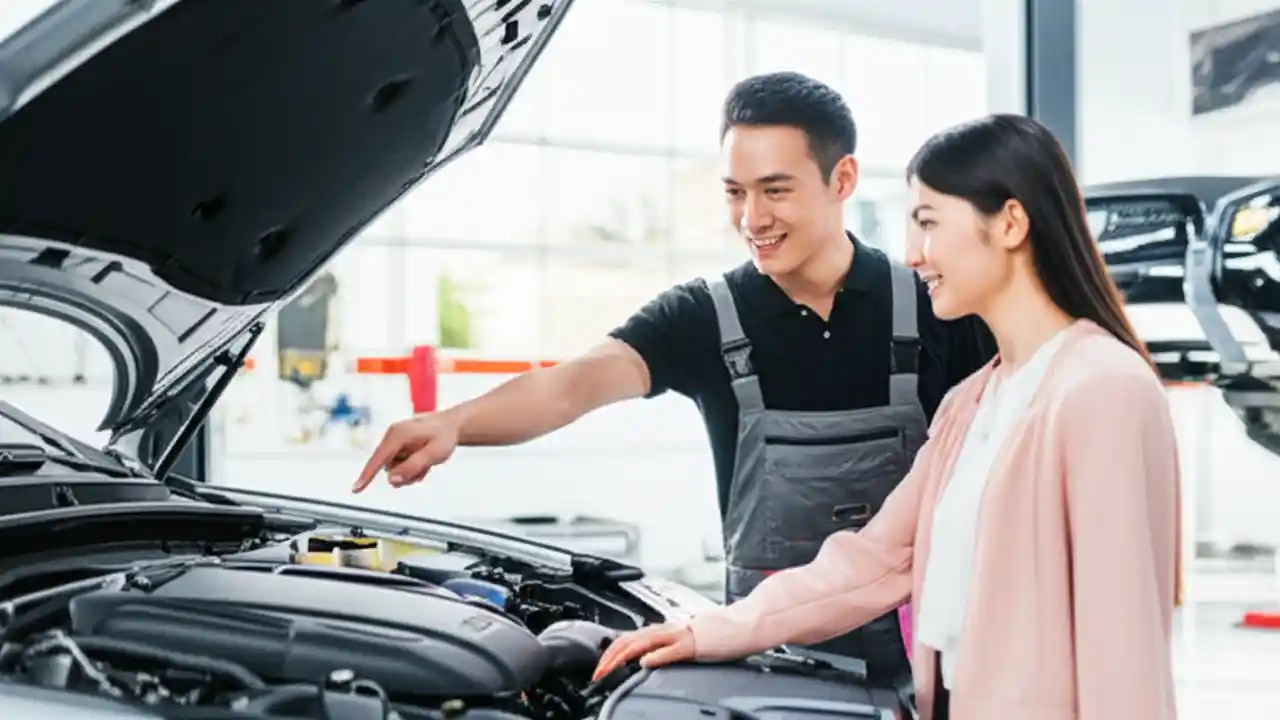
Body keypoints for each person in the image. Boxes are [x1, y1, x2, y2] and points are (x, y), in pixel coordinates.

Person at [352, 71, 995, 686]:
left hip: (930, 655)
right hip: (762, 653)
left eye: (775, 190)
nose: (752, 219)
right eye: (734, 192)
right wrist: (454, 423)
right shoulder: (704, 317)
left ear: (842, 178)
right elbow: (575, 383)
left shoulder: (933, 303)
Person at [590, 114, 1182, 720]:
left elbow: (1123, 651)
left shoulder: (1102, 389)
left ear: (1008, 223)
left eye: (928, 223)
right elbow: (874, 559)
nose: (911, 253)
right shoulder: (973, 400)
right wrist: (710, 631)